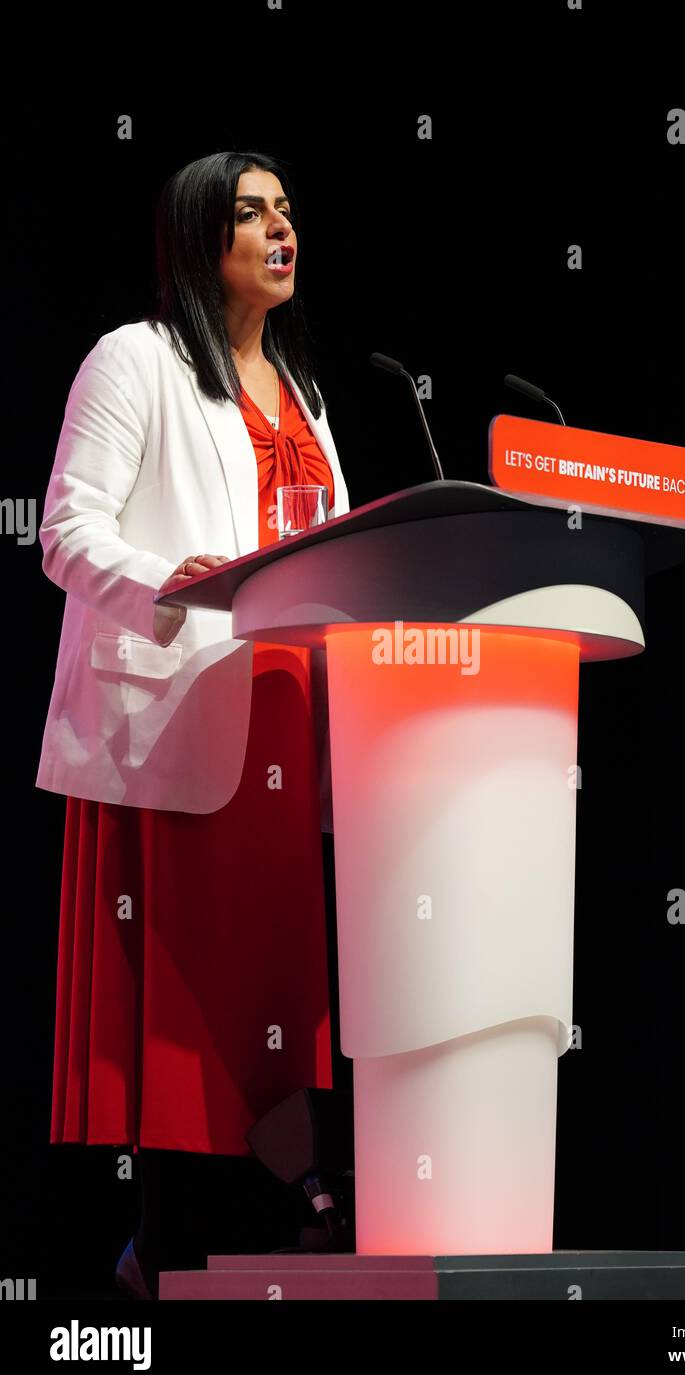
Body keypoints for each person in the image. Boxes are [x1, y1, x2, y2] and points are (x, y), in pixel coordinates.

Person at [35, 151, 351, 1298]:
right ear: (196, 237)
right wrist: (167, 584)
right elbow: (66, 530)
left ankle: (281, 1210)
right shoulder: (136, 360)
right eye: (250, 214)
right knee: (187, 1004)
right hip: (177, 712)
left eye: (287, 211)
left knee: (276, 990)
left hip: (289, 721)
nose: (280, 230)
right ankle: (167, 1248)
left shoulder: (306, 391)